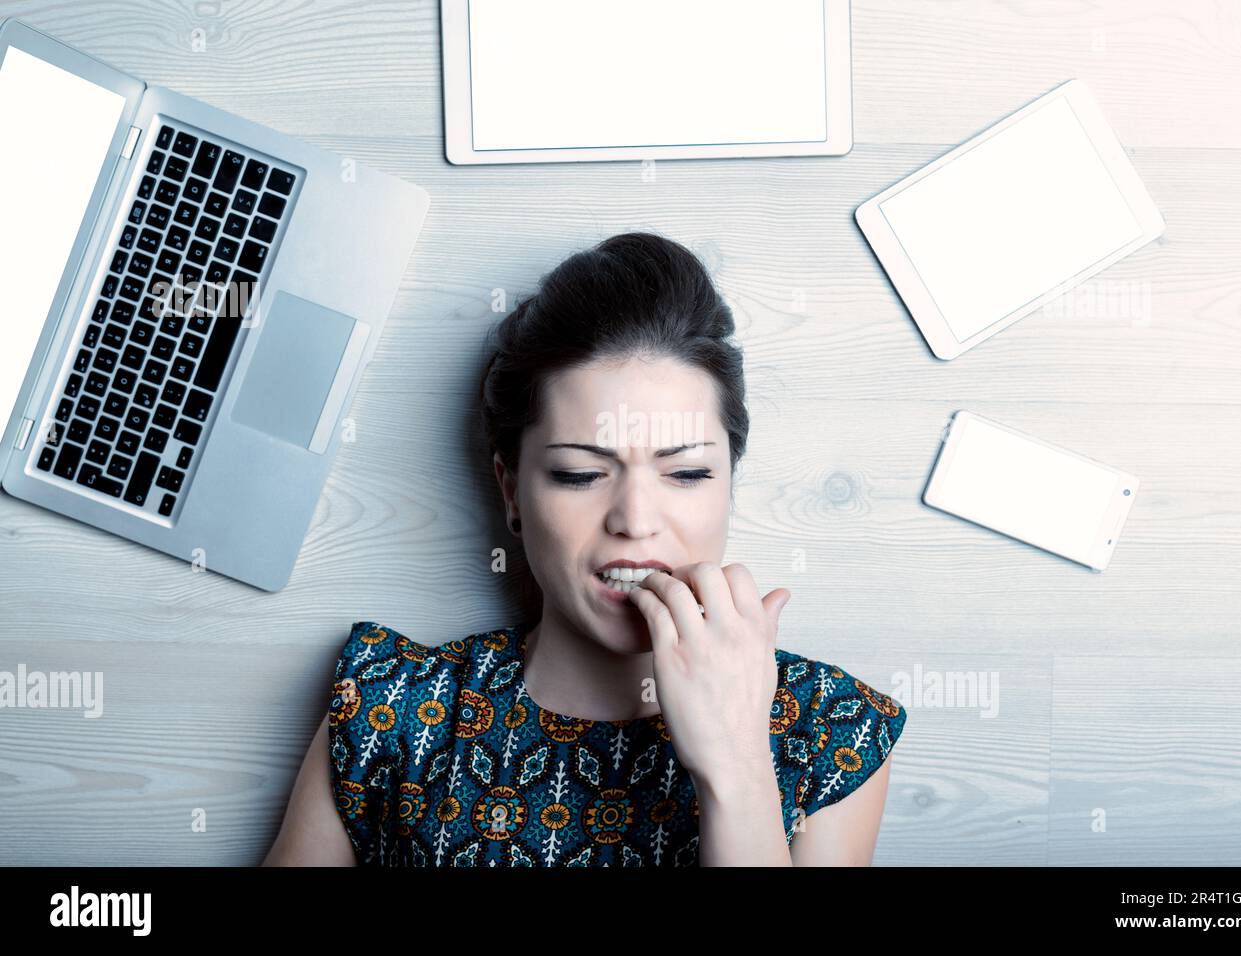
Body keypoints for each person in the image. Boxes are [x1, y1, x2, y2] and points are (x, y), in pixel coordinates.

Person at [262, 232, 906, 866]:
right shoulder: (387, 710)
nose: (634, 519)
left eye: (685, 474)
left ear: (729, 484)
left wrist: (736, 766)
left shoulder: (831, 732)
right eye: (580, 474)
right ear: (512, 492)